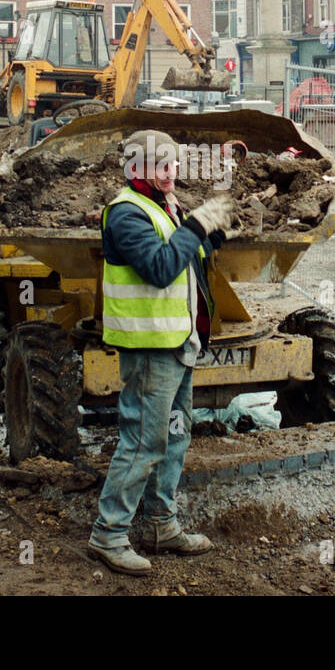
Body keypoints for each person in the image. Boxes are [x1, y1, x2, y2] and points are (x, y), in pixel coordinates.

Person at [87, 129, 235, 576]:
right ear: (136, 169)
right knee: (143, 441)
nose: (170, 173)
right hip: (150, 347)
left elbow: (184, 258)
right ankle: (109, 534)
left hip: (176, 344)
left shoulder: (162, 207)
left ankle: (159, 524)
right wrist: (196, 226)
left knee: (173, 437)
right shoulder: (126, 214)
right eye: (160, 165)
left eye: (172, 164)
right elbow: (159, 268)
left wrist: (215, 235)